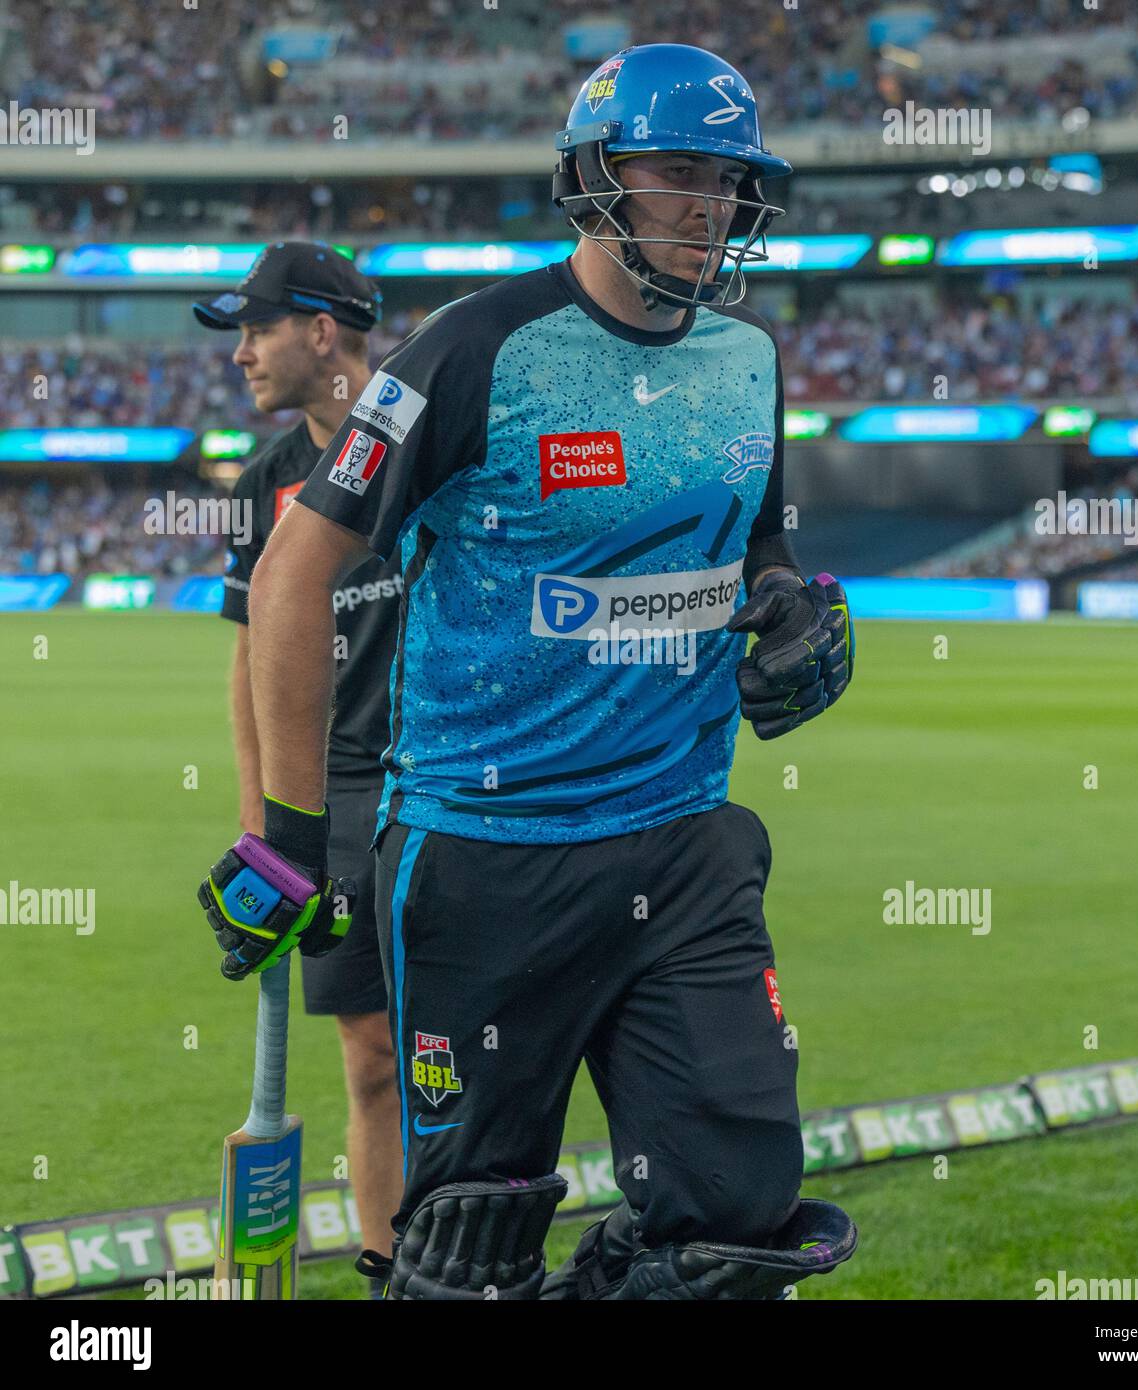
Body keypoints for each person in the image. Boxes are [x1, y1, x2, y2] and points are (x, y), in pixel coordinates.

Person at [196, 46, 856, 1300]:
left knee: (734, 1223)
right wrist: (286, 834)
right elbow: (289, 577)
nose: (708, 203)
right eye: (676, 172)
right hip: (483, 857)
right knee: (465, 1248)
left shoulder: (749, 362)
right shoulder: (470, 352)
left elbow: (759, 542)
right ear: (596, 176)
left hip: (685, 842)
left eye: (728, 178)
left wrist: (793, 608)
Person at [194, 242, 402, 1295]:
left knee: (469, 1053)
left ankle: (476, 1258)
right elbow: (245, 662)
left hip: (455, 780)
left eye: (254, 328)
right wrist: (260, 830)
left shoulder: (429, 437)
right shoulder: (262, 482)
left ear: (321, 333)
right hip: (334, 796)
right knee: (368, 1054)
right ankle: (386, 1269)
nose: (239, 355)